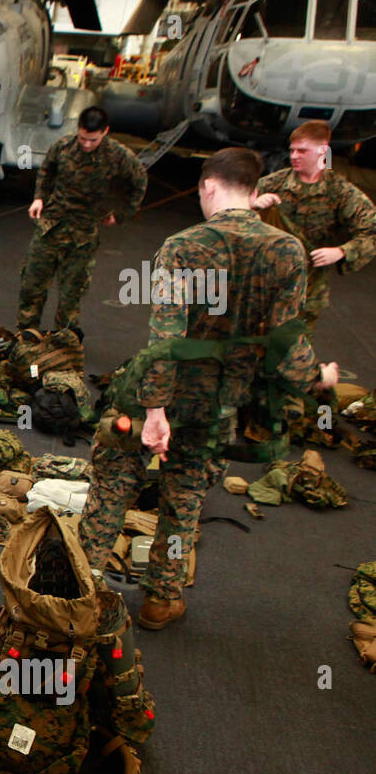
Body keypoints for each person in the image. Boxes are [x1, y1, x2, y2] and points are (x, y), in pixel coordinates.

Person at [77, 147, 338, 630]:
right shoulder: (287, 250)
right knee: (184, 501)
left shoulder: (183, 246)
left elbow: (167, 339)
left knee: (113, 485)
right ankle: (160, 599)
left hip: (154, 395)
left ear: (207, 186)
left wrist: (155, 412)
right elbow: (286, 341)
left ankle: (82, 595)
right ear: (255, 192)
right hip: (221, 402)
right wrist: (318, 377)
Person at [17, 105, 148, 333]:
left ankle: (63, 343)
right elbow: (46, 170)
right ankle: (26, 338)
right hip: (51, 226)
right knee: (32, 286)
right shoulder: (63, 146)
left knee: (71, 294)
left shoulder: (118, 156)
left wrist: (121, 214)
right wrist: (39, 198)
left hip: (83, 235)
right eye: (83, 138)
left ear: (105, 132)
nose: (87, 144)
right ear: (78, 130)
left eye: (93, 140)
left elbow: (138, 182)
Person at [252, 120, 376, 333]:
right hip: (264, 281)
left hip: (307, 286)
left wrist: (342, 251)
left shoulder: (339, 191)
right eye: (292, 151)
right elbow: (228, 211)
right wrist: (252, 205)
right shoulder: (275, 183)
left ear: (322, 151)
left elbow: (371, 229)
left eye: (302, 151)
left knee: (294, 347)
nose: (294, 156)